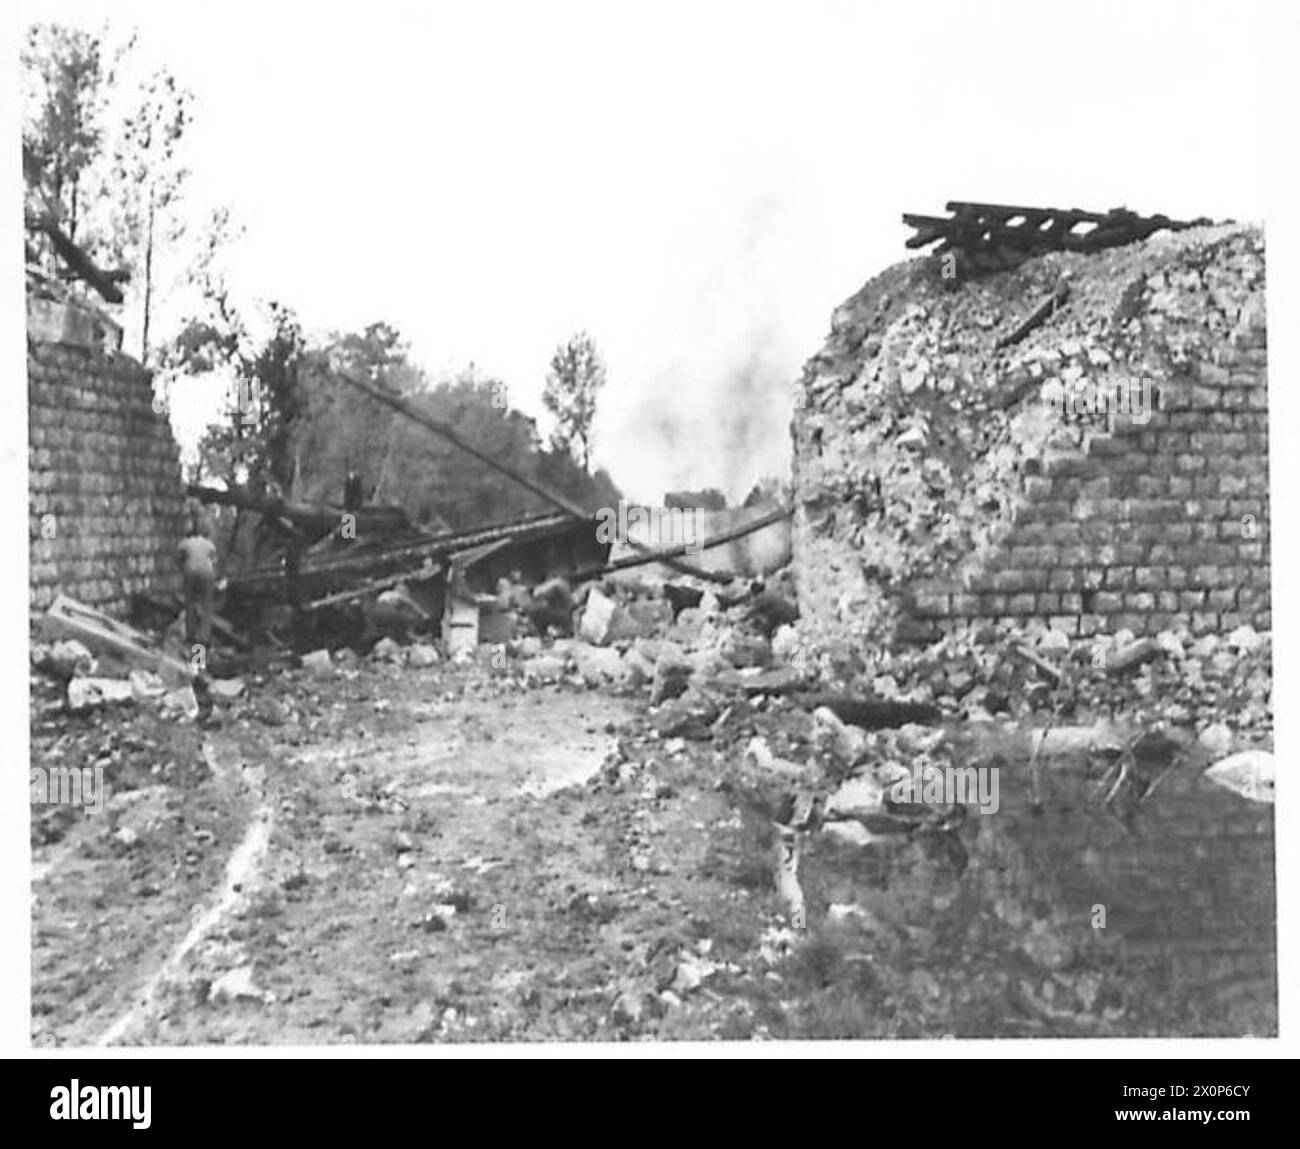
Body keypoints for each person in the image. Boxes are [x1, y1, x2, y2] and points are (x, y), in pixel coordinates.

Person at [177, 513, 218, 655]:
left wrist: (184, 570)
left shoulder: (184, 543)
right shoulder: (209, 544)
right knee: (206, 605)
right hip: (207, 573)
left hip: (190, 572)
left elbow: (179, 560)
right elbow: (213, 561)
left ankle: (191, 636)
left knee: (190, 604)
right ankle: (203, 639)